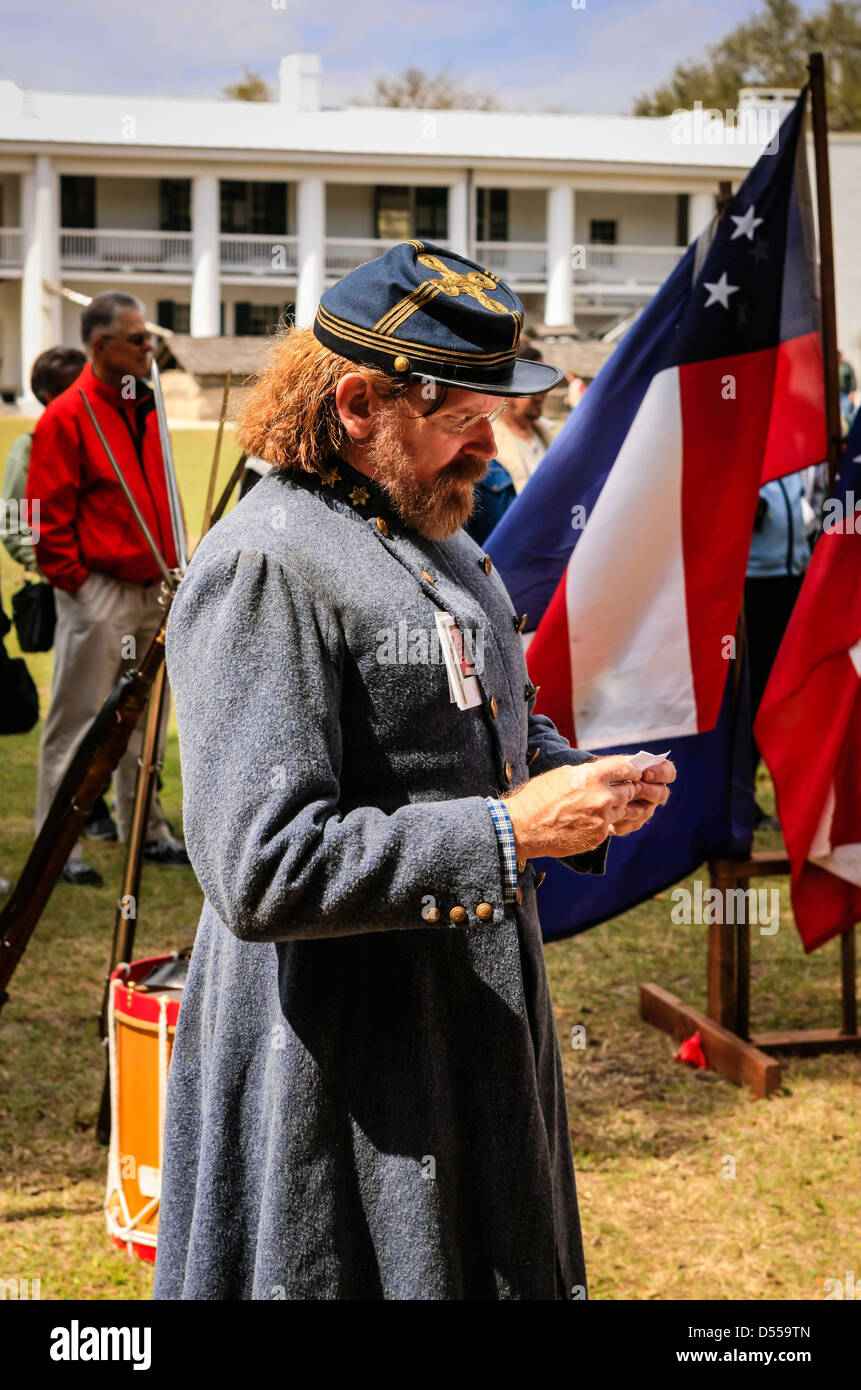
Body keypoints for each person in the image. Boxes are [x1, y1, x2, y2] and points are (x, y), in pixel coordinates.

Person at [153, 240, 675, 1301]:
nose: (490, 446)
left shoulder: (439, 533)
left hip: (467, 1034)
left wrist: (572, 781)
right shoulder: (266, 561)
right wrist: (509, 831)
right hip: (340, 1062)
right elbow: (261, 869)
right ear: (356, 405)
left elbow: (461, 739)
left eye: (499, 412)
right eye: (459, 416)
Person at [26, 291, 189, 885]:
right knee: (77, 721)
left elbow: (162, 489)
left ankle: (145, 829)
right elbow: (42, 512)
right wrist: (76, 583)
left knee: (146, 722)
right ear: (102, 346)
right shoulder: (66, 415)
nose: (150, 347)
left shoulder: (147, 404)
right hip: (100, 592)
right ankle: (58, 845)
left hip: (158, 586)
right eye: (138, 339)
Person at [2, 346, 115, 842]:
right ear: (49, 396)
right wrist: (61, 572)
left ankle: (120, 804)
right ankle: (78, 813)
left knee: (121, 704)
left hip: (122, 594)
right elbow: (14, 524)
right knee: (77, 707)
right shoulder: (30, 446)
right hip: (77, 595)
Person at [745, 473, 810, 829]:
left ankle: (797, 801)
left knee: (786, 698)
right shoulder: (752, 457)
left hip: (793, 583)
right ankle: (743, 800)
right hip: (754, 590)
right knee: (753, 701)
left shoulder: (794, 466)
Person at [488, 338, 556, 494]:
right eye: (533, 384)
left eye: (544, 383)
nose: (542, 393)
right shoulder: (487, 445)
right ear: (509, 389)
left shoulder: (548, 436)